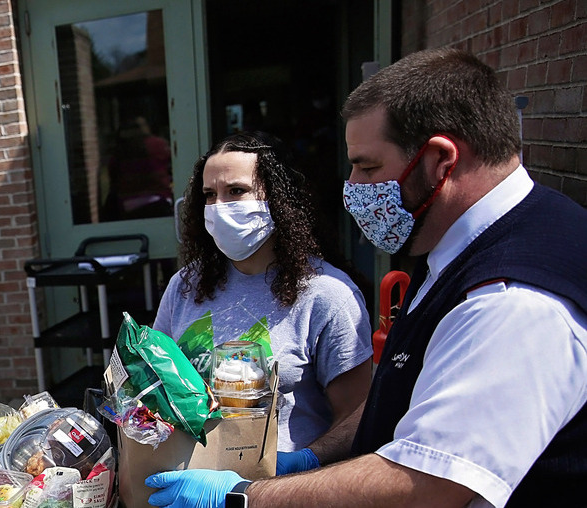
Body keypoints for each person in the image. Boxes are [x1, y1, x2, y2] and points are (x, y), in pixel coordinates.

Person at [145, 48, 587, 508]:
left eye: (368, 166)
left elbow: (427, 482)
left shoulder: (511, 300)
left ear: (440, 161)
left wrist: (244, 496)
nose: (353, 185)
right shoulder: (454, 252)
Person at [153, 131, 372, 474]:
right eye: (209, 195)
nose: (219, 207)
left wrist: (306, 460)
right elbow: (158, 387)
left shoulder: (327, 294)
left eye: (236, 191)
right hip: (191, 483)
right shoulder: (184, 286)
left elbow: (360, 414)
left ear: (278, 198)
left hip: (283, 491)